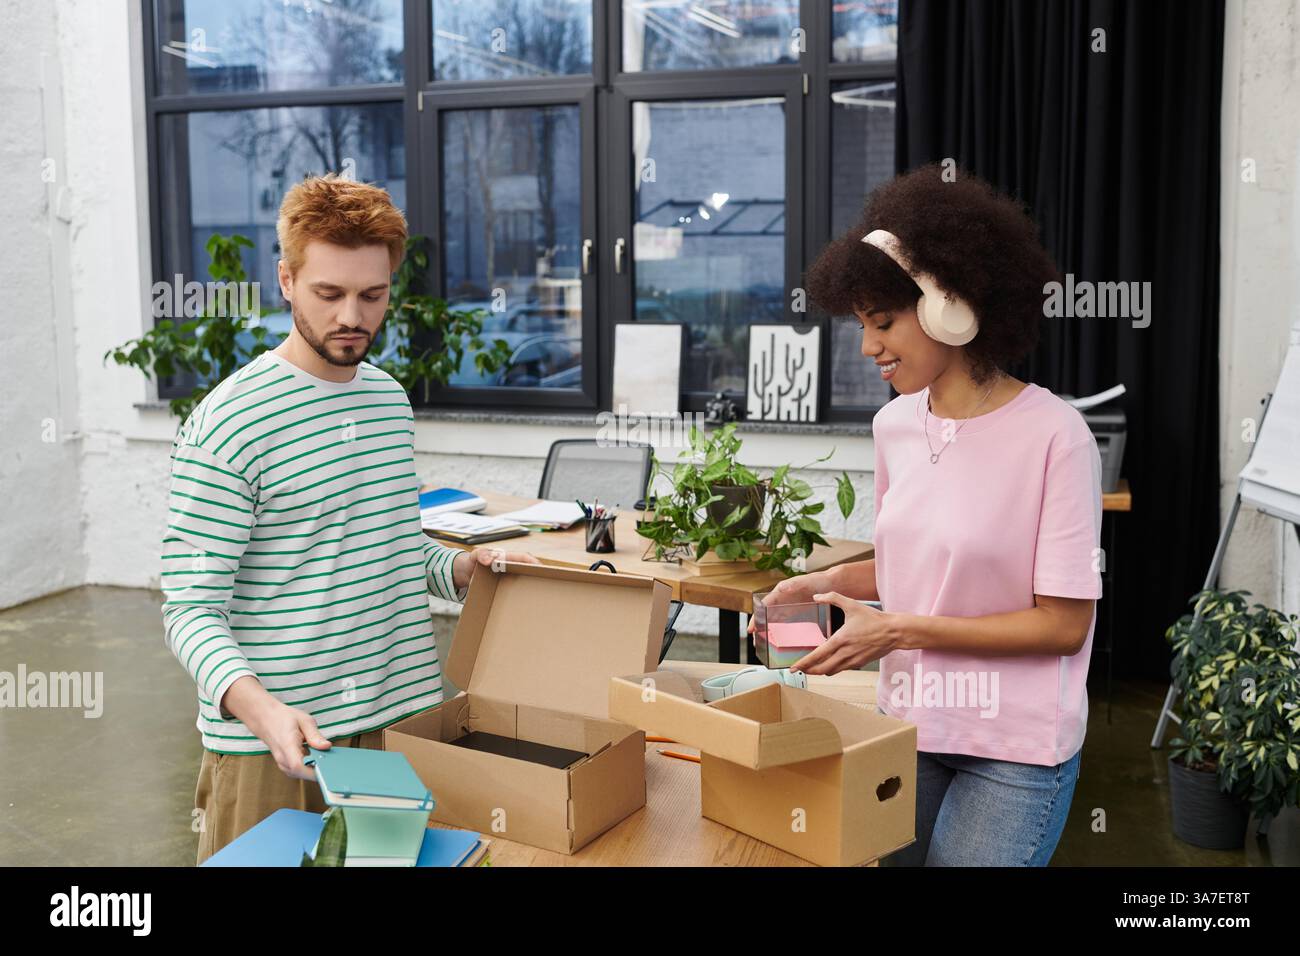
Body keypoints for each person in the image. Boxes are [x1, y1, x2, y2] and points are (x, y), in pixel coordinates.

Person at [161, 174, 536, 863]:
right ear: (285, 278)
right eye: (328, 294)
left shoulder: (388, 401)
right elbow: (188, 608)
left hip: (400, 725)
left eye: (373, 294)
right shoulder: (229, 423)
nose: (351, 317)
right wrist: (265, 713)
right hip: (281, 751)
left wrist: (460, 568)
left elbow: (390, 545)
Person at [758, 165, 1103, 866]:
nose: (867, 347)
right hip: (909, 724)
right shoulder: (895, 427)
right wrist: (817, 587)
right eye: (860, 326)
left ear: (950, 303)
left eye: (883, 323)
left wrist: (896, 630)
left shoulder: (1055, 436)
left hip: (1013, 752)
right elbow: (909, 564)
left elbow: (1064, 625)